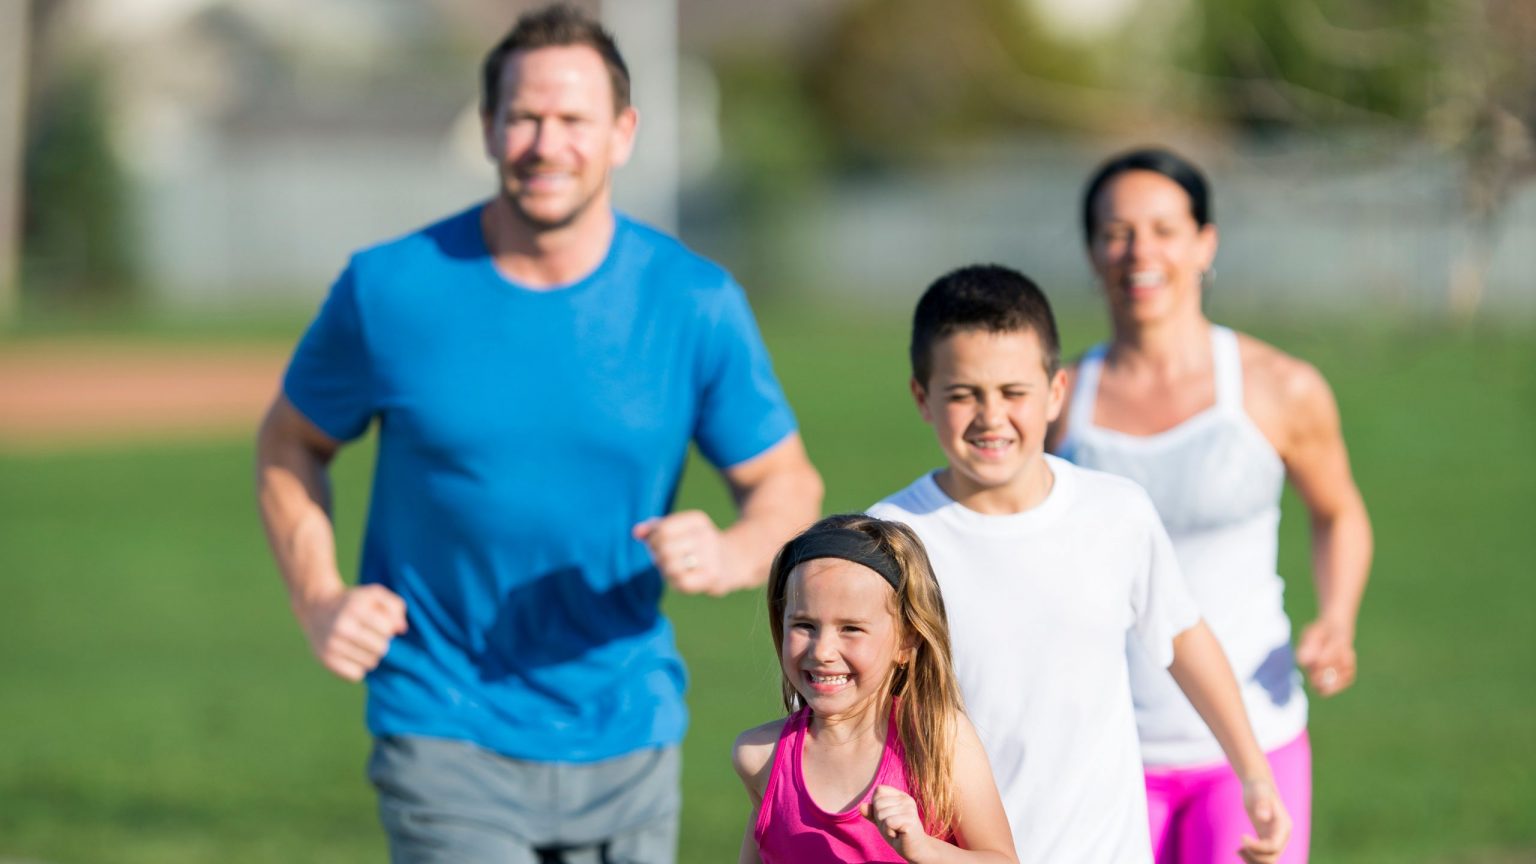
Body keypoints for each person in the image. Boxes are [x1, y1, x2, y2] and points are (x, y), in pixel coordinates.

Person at [253, 5, 823, 862]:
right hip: (442, 718)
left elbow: (788, 484)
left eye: (572, 120)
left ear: (623, 133)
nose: (545, 144)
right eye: (523, 117)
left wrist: (734, 551)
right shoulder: (390, 289)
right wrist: (317, 596)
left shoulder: (693, 302)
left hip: (629, 729)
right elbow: (290, 442)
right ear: (487, 127)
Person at [868, 265, 1292, 864]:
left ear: (1056, 392)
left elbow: (1182, 637)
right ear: (922, 398)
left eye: (1014, 392)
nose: (991, 416)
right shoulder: (892, 539)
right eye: (963, 394)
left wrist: (1253, 772)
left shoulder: (1114, 512)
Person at [1049, 147, 1373, 864]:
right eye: (1116, 232)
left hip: (1252, 746)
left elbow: (1338, 512)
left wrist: (1337, 618)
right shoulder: (1055, 402)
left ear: (1205, 243)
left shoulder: (1280, 388)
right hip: (1100, 755)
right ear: (1092, 251)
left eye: (1164, 229)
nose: (1140, 252)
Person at [732, 514, 1018, 864]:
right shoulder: (760, 757)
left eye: (851, 628)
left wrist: (925, 850)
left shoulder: (937, 740)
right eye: (804, 625)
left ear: (907, 640)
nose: (822, 652)